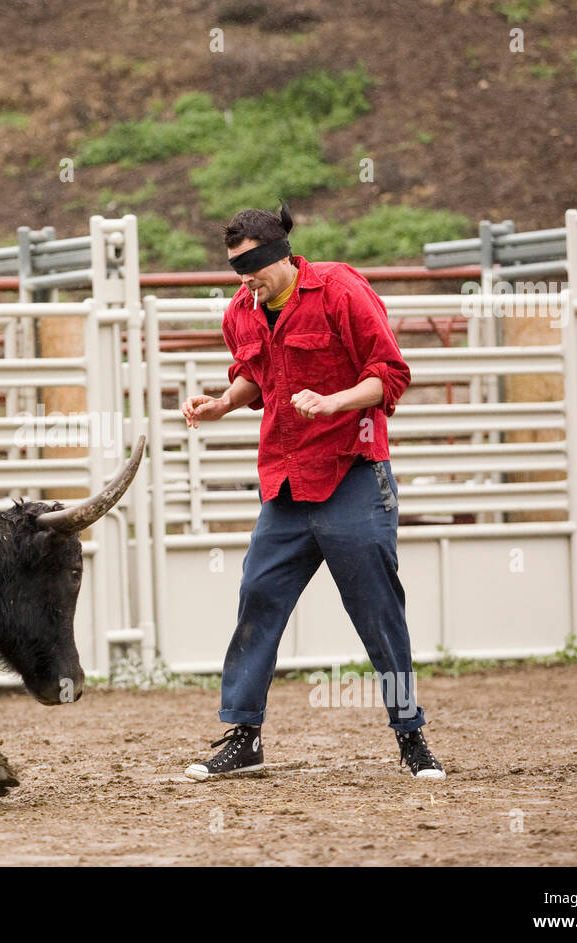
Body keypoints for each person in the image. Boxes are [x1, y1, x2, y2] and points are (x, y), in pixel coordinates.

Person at [180, 204, 445, 781]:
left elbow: (390, 375)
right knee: (257, 597)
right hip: (285, 482)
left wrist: (333, 403)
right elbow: (258, 374)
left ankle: (411, 736)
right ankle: (244, 736)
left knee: (378, 612)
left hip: (352, 473)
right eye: (233, 268)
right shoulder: (241, 312)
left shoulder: (342, 290)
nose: (242, 279)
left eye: (249, 266)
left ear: (279, 255)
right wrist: (223, 403)